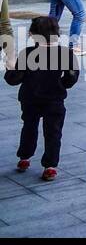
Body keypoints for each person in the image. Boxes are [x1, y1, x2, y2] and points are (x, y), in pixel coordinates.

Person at [6, 15, 78, 181]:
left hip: (30, 98)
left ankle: (24, 157)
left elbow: (14, 79)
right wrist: (61, 85)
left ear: (32, 34)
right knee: (53, 132)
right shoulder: (65, 53)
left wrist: (9, 67)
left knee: (29, 127)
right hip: (54, 99)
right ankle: (50, 166)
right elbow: (71, 77)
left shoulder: (27, 54)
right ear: (57, 33)